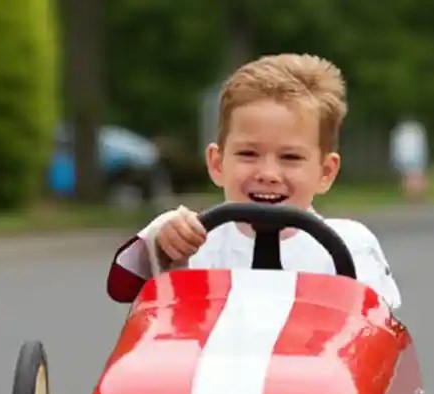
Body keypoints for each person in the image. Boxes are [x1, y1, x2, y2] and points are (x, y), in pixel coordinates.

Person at [105, 53, 402, 310]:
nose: (268, 173)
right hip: (204, 374)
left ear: (325, 172)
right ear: (217, 163)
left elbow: (374, 336)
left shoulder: (349, 247)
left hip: (312, 373)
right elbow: (124, 289)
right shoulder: (192, 243)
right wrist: (165, 244)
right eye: (249, 154)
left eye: (290, 158)